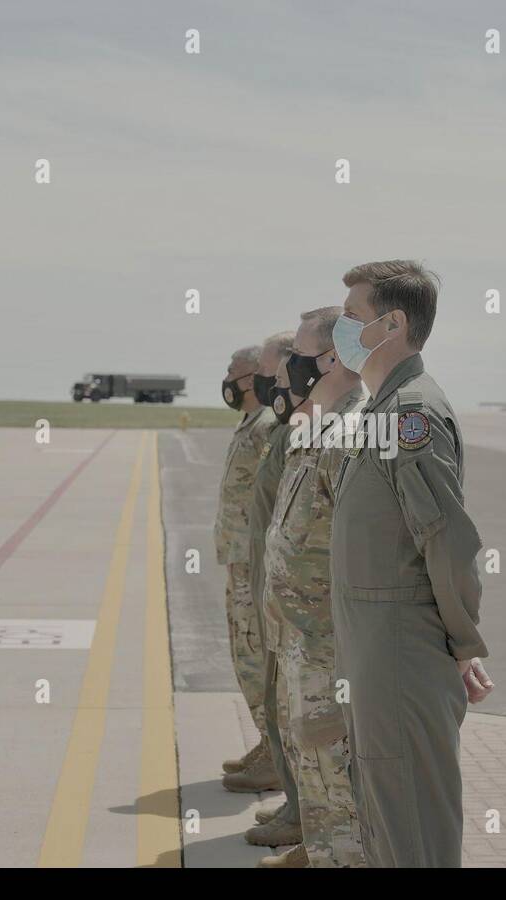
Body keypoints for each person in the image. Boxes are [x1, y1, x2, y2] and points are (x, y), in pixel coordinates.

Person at [328, 260, 494, 867]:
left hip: (400, 649)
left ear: (391, 324)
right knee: (389, 823)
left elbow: (447, 539)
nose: (341, 331)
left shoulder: (408, 415)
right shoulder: (384, 408)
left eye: (352, 317)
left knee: (412, 832)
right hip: (377, 649)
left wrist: (461, 644)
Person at [258, 307, 367, 868]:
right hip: (299, 634)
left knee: (335, 764)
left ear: (329, 358)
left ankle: (341, 856)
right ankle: (320, 847)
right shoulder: (317, 428)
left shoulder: (354, 433)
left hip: (328, 638)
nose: (288, 371)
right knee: (310, 758)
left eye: (297, 357)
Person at [240, 336, 303, 845]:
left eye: (274, 372)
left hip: (299, 597)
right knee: (280, 699)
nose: (270, 382)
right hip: (270, 578)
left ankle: (310, 821)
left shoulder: (301, 430)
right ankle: (300, 810)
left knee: (300, 712)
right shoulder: (285, 428)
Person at [215, 344, 280, 791]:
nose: (228, 381)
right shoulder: (251, 423)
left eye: (234, 374)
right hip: (238, 558)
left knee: (256, 657)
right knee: (245, 655)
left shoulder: (268, 426)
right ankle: (267, 742)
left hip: (253, 559)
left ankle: (276, 759)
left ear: (254, 377)